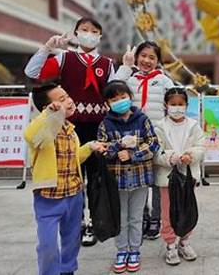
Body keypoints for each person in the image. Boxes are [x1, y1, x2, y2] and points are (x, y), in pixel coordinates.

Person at [24, 17, 114, 246]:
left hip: (98, 126)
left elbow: (115, 92)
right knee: (74, 175)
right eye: (84, 30)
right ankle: (78, 221)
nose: (89, 34)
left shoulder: (107, 63)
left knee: (96, 177)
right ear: (75, 33)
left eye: (95, 31)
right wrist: (47, 48)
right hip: (67, 127)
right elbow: (33, 72)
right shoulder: (65, 57)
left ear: (100, 36)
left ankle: (94, 222)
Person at [23, 83, 106, 275]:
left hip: (74, 194)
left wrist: (90, 147)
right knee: (47, 245)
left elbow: (74, 157)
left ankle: (68, 269)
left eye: (67, 95)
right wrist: (47, 116)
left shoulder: (71, 130)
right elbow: (29, 135)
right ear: (47, 107)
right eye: (60, 99)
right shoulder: (43, 131)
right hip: (48, 198)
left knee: (71, 239)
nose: (68, 101)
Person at [110, 41, 174, 240]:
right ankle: (143, 216)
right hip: (133, 138)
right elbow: (111, 88)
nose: (147, 60)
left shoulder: (163, 80)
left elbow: (174, 102)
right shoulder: (129, 79)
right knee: (139, 180)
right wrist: (126, 66)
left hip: (157, 138)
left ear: (158, 61)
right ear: (137, 57)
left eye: (152, 57)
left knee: (156, 179)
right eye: (143, 56)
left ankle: (155, 218)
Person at [97, 80, 160, 273]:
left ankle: (135, 250)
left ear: (130, 97)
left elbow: (154, 144)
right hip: (118, 182)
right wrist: (118, 147)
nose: (120, 101)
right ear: (108, 103)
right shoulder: (105, 124)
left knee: (136, 217)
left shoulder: (142, 119)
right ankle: (121, 251)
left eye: (123, 97)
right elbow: (101, 150)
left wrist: (134, 154)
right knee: (121, 218)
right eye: (114, 99)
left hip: (141, 179)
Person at [153, 87, 205, 265]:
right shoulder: (160, 126)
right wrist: (170, 157)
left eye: (180, 104)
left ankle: (184, 242)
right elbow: (156, 151)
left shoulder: (193, 125)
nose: (176, 108)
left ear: (186, 105)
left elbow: (201, 146)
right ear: (165, 105)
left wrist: (191, 155)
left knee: (187, 209)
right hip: (167, 179)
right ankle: (170, 245)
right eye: (172, 104)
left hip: (188, 176)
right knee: (168, 213)